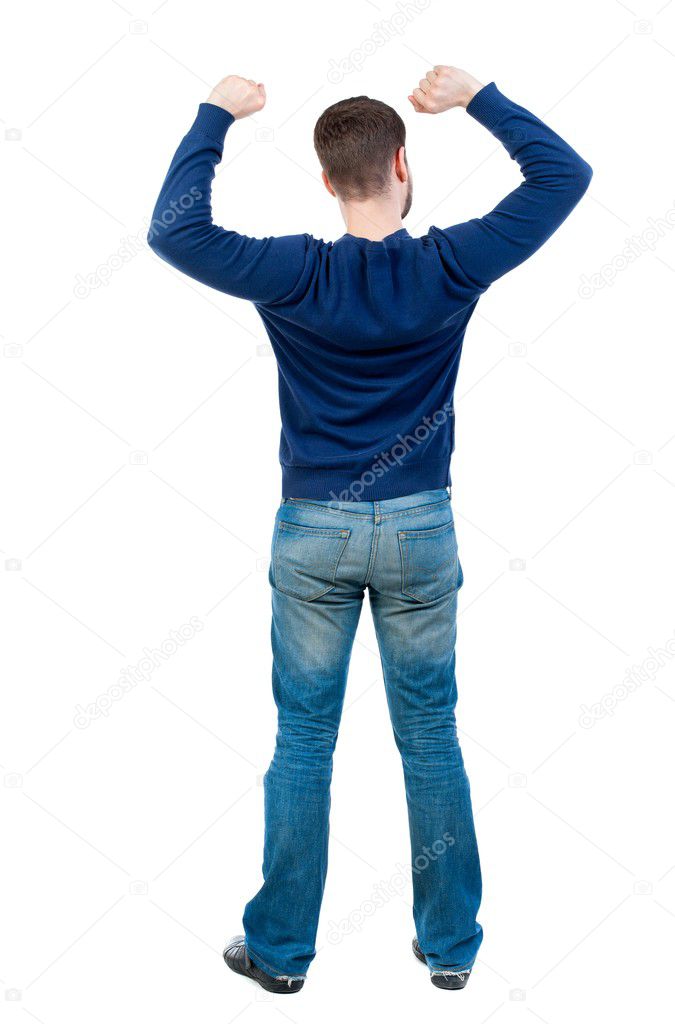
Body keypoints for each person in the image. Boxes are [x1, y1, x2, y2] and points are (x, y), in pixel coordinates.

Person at [149, 65, 591, 994]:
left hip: (312, 525)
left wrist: (214, 116)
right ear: (400, 164)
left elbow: (173, 230)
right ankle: (450, 948)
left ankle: (278, 954)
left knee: (303, 741)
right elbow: (562, 175)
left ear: (325, 180)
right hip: (421, 527)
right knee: (430, 735)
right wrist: (477, 98)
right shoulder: (451, 263)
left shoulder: (293, 271)